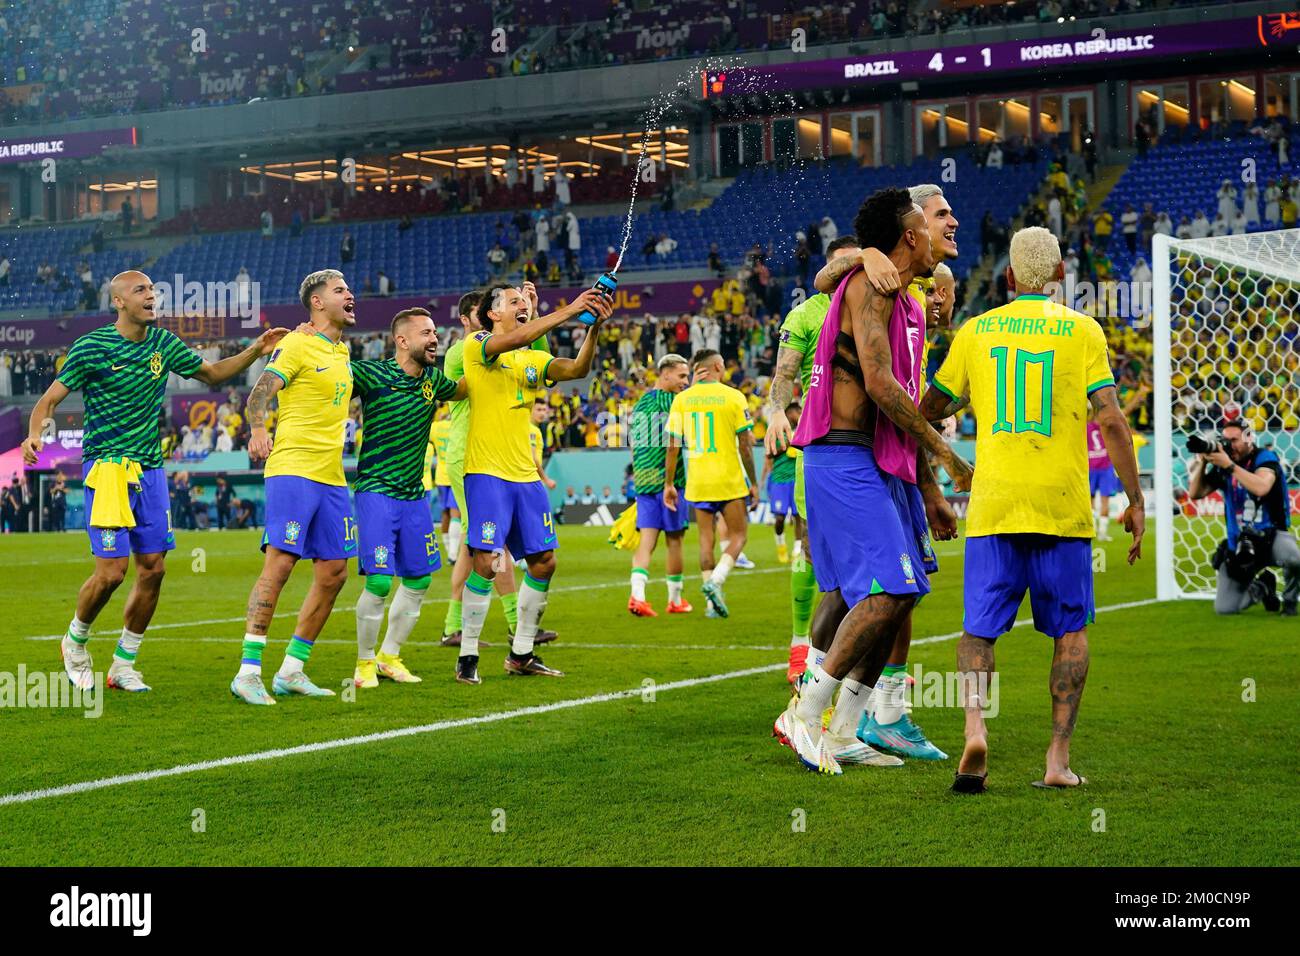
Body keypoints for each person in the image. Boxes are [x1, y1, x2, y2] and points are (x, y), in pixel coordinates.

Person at [920, 226, 1144, 792]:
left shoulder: (975, 332)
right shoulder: (1083, 330)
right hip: (1061, 506)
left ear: (1010, 277)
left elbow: (927, 408)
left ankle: (976, 730)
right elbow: (1112, 420)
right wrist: (1134, 498)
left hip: (994, 505)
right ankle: (1056, 759)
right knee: (1070, 634)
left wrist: (939, 458)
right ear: (1062, 274)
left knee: (978, 632)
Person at [775, 188, 968, 775]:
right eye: (940, 219)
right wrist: (949, 456)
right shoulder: (869, 284)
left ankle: (843, 729)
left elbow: (901, 397)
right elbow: (882, 387)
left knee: (893, 592)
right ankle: (804, 716)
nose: (952, 225)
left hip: (882, 460)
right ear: (910, 233)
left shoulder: (907, 299)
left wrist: (929, 489)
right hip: (842, 455)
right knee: (886, 588)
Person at [22, 271, 287, 694]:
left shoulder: (163, 344)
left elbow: (213, 375)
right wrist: (36, 433)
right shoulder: (92, 346)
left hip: (150, 471)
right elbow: (49, 400)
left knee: (154, 569)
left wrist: (256, 349)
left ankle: (124, 663)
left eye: (153, 290)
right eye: (141, 291)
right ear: (119, 302)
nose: (152, 296)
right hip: (107, 469)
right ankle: (75, 639)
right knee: (111, 573)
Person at [454, 282, 614, 683]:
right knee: (488, 563)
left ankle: (521, 653)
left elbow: (576, 369)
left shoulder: (530, 358)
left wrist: (592, 326)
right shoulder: (478, 344)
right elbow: (520, 336)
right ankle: (468, 655)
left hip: (525, 477)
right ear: (492, 313)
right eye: (514, 302)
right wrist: (572, 307)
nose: (523, 305)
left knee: (545, 561)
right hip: (487, 472)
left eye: (525, 301)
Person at [229, 270, 358, 705]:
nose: (350, 295)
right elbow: (259, 394)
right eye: (340, 290)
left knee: (334, 573)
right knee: (280, 566)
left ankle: (292, 670)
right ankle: (248, 673)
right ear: (317, 303)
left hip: (333, 477)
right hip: (294, 469)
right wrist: (259, 428)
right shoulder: (296, 343)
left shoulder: (342, 351)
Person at [350, 307, 462, 689]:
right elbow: (327, 378)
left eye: (436, 332)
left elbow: (466, 388)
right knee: (380, 582)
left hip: (415, 496)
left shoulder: (435, 381)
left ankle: (389, 656)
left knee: (418, 580)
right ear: (401, 341)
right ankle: (363, 664)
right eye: (426, 333)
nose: (435, 339)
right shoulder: (371, 373)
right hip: (376, 490)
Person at [439, 287, 555, 652]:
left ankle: (454, 626)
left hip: (500, 456)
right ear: (470, 319)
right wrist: (542, 317)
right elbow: (520, 342)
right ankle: (513, 626)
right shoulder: (466, 348)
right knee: (491, 547)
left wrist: (532, 313)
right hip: (472, 454)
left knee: (480, 548)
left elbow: (542, 363)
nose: (493, 318)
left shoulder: (512, 349)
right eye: (482, 313)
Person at [662, 349, 759, 618]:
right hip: (728, 480)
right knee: (739, 536)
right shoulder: (734, 397)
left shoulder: (682, 400)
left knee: (706, 540)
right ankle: (716, 582)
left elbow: (672, 446)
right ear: (718, 366)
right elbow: (746, 446)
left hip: (698, 481)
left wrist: (669, 483)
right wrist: (752, 481)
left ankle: (709, 606)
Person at [1188, 420, 1300, 616]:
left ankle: (1290, 602)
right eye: (1226, 440)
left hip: (1271, 537)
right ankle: (1262, 587)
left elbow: (1261, 487)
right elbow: (1196, 493)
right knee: (1225, 609)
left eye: (1235, 440)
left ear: (1249, 438)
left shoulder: (1265, 458)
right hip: (1240, 544)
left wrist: (1229, 466)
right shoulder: (1224, 464)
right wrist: (1203, 461)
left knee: (1294, 559)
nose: (1230, 445)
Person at [626, 354, 693, 617]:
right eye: (681, 376)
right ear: (665, 374)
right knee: (675, 540)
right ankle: (675, 600)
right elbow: (673, 444)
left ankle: (637, 596)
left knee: (647, 541)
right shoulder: (676, 403)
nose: (685, 382)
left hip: (643, 480)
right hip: (670, 482)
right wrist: (669, 482)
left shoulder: (641, 403)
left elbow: (634, 443)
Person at [761, 402, 802, 565]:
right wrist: (785, 447)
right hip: (779, 480)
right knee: (779, 518)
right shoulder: (777, 430)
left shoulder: (801, 430)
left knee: (799, 516)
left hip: (797, 478)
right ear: (789, 413)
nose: (799, 414)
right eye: (796, 411)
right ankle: (781, 544)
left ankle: (797, 550)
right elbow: (769, 454)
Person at [429, 412, 459, 558]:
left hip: (440, 476)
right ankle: (453, 554)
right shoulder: (459, 425)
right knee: (455, 514)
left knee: (445, 513)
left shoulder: (436, 427)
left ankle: (448, 550)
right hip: (455, 474)